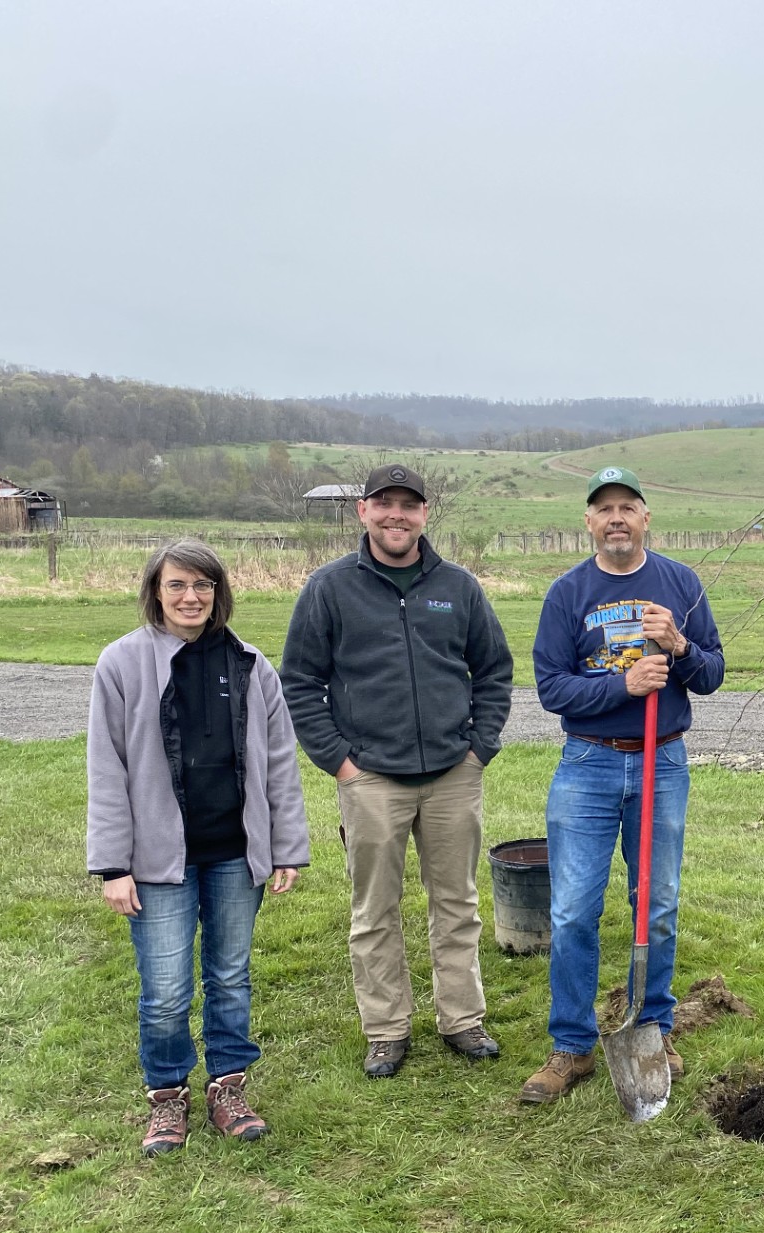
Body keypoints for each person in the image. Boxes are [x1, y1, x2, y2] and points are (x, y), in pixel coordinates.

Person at [280, 464, 513, 1079]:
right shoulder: (329, 588)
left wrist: (477, 748)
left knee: (457, 902)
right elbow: (300, 683)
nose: (396, 516)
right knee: (374, 909)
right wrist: (341, 762)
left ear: (424, 514)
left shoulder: (458, 587)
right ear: (363, 512)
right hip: (371, 778)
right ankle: (386, 1029)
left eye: (409, 506)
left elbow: (493, 671)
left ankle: (462, 1019)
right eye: (384, 504)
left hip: (450, 774)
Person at [88, 541, 310, 1156]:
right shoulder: (122, 663)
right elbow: (106, 769)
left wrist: (287, 846)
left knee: (231, 976)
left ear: (219, 593)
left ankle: (227, 1085)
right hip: (160, 862)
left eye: (204, 586)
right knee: (164, 988)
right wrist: (113, 865)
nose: (192, 597)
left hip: (235, 854)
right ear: (156, 592)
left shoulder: (248, 663)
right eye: (178, 585)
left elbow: (280, 764)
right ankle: (166, 1097)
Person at [520, 465, 725, 1104]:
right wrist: (622, 685)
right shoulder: (567, 593)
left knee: (656, 904)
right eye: (604, 508)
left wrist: (681, 645)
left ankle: (653, 1028)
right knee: (574, 907)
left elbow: (713, 673)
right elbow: (551, 686)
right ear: (588, 521)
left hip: (661, 761)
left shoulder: (679, 583)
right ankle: (572, 1046)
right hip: (588, 763)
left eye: (627, 507)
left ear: (645, 518)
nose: (616, 518)